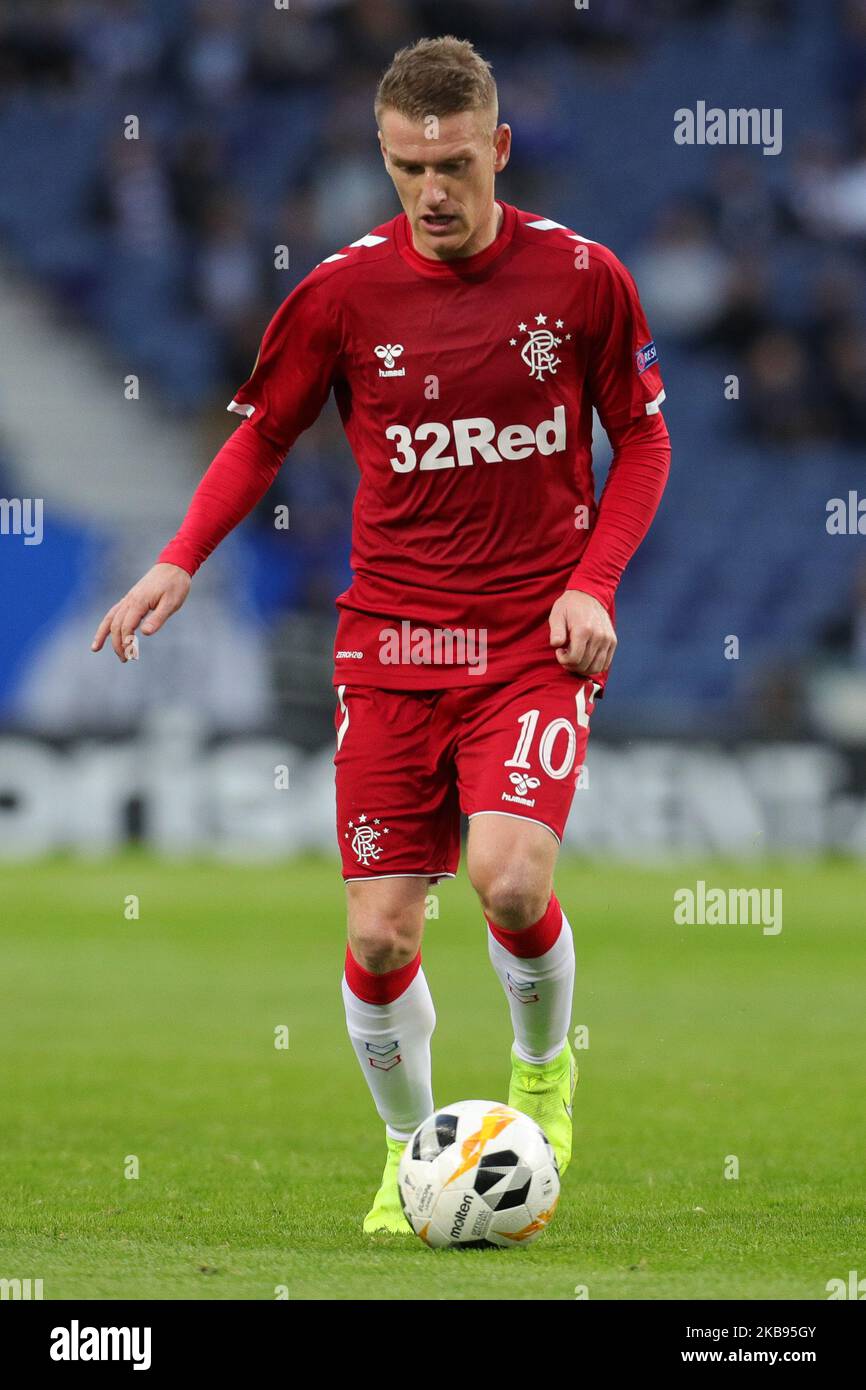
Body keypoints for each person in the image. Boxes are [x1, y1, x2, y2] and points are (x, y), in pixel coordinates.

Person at [92, 35, 671, 1235]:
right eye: (409, 166)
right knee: (375, 930)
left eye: (455, 162)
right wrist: (177, 557)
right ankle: (414, 1156)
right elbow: (260, 433)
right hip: (392, 650)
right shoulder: (341, 296)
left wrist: (594, 583)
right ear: (382, 157)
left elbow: (646, 438)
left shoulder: (580, 279)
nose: (433, 190)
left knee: (507, 880)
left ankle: (539, 1081)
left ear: (497, 148)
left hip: (527, 641)